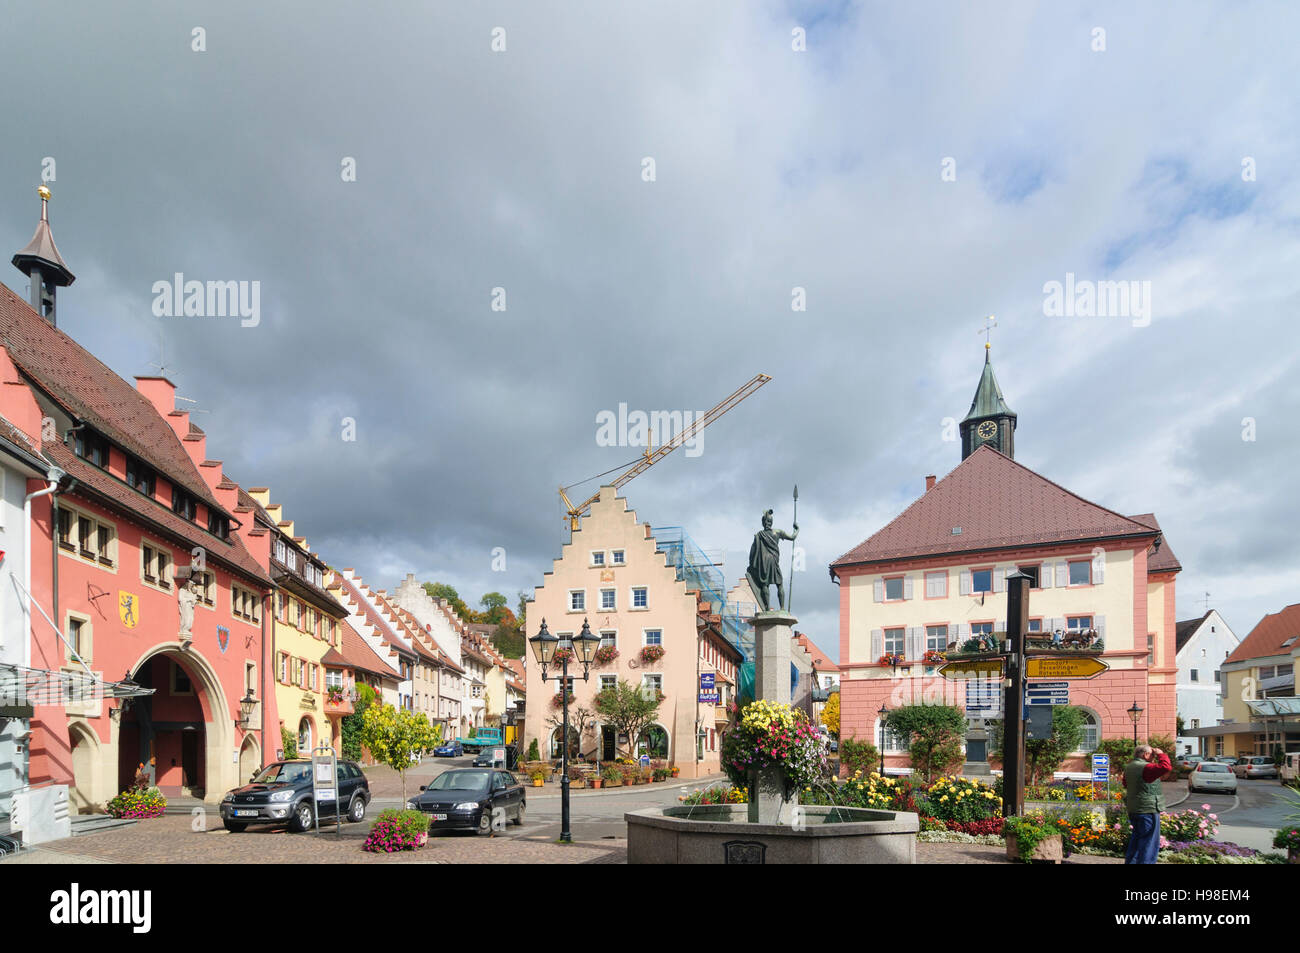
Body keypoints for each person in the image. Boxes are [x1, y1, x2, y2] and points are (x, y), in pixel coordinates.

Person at [1123, 744, 1171, 863]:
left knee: (1136, 839)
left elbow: (1125, 784)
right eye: (1152, 755)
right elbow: (1166, 767)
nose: (1154, 758)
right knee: (1149, 843)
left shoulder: (1129, 767)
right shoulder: (1146, 768)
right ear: (1145, 755)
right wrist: (1161, 754)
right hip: (1148, 810)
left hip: (1134, 809)